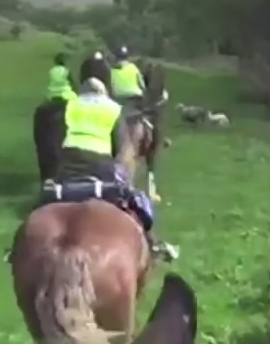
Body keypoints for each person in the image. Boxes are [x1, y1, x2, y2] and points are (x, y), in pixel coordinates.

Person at [55, 77, 179, 262]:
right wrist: (122, 179)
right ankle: (153, 244)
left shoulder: (70, 106)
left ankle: (15, 249)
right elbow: (124, 152)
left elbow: (56, 141)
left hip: (67, 168)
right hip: (101, 167)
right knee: (136, 204)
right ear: (103, 94)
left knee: (43, 204)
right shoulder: (112, 108)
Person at [108, 45, 147, 112]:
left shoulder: (112, 71)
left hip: (119, 99)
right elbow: (143, 86)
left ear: (115, 58)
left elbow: (108, 88)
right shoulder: (133, 68)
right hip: (135, 98)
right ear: (127, 57)